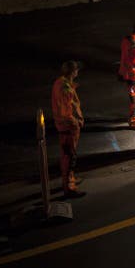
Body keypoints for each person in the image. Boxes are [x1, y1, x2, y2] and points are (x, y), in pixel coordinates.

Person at [51, 61, 85, 198]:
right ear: (73, 72)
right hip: (68, 127)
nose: (78, 72)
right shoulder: (65, 88)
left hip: (66, 125)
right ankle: (69, 187)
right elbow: (66, 112)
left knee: (69, 155)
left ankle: (70, 179)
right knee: (69, 156)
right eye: (76, 70)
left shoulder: (61, 83)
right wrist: (76, 122)